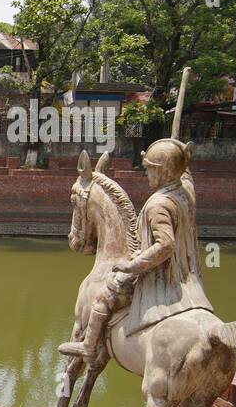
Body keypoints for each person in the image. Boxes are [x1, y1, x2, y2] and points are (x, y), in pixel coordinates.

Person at [59, 139, 213, 362]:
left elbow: (165, 245)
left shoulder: (158, 204)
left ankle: (89, 345)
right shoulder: (186, 194)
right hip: (188, 275)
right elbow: (186, 176)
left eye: (150, 169)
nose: (146, 174)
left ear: (162, 172)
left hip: (162, 274)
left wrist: (132, 265)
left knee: (106, 292)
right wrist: (180, 154)